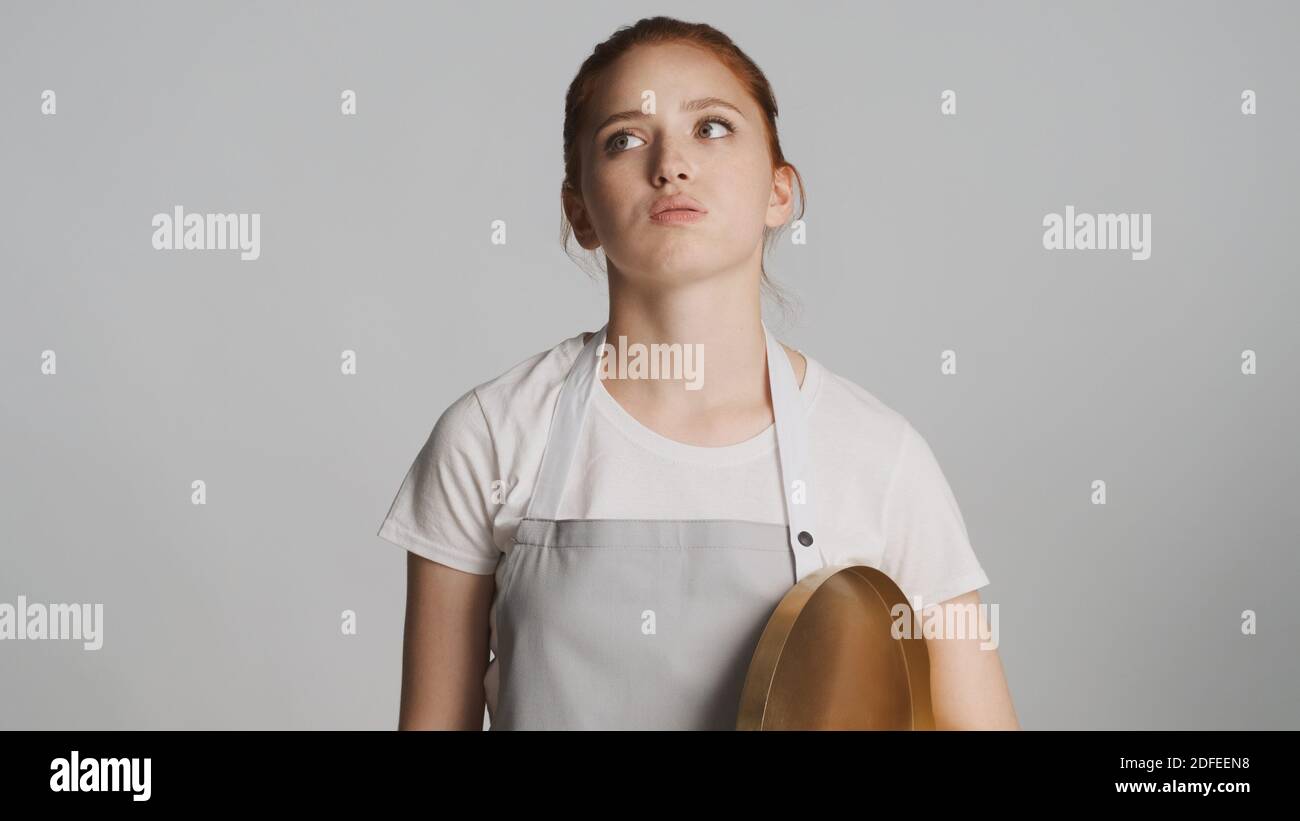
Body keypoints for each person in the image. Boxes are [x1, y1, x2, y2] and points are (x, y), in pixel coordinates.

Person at [378, 16, 1019, 730]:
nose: (670, 164)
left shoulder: (880, 456)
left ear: (780, 192)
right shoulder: (491, 436)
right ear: (579, 211)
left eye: (711, 128)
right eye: (623, 138)